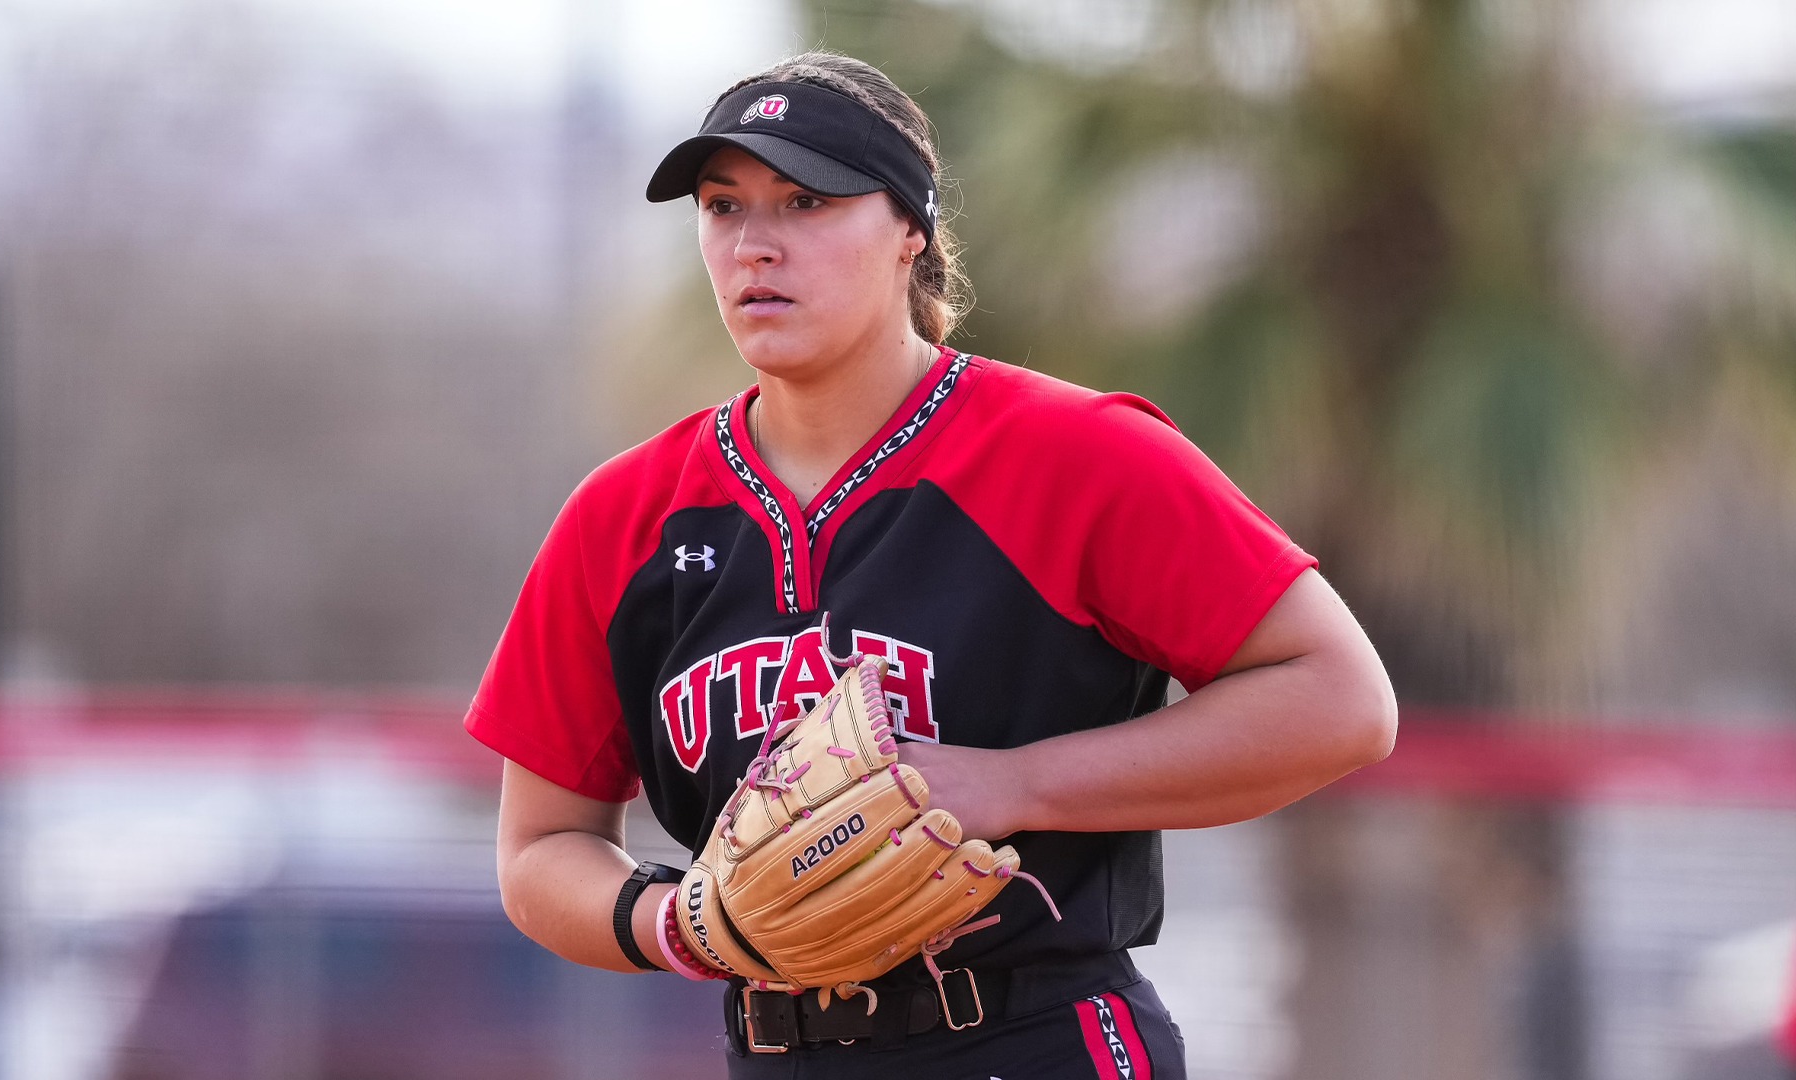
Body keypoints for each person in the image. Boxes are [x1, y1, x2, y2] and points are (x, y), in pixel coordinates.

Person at [468, 51, 1397, 1079]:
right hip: (777, 1051)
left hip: (1034, 1035)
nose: (757, 244)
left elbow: (1342, 701)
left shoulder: (1074, 455)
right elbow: (538, 850)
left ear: (910, 231)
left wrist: (1016, 785)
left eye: (808, 200)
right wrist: (676, 922)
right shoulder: (624, 518)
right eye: (724, 206)